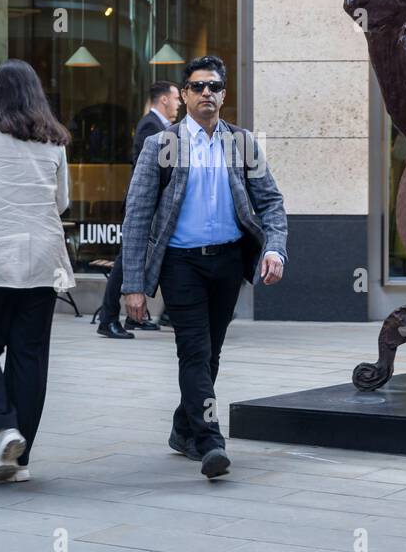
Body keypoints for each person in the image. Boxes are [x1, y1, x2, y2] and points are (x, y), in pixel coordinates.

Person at [120, 55, 288, 479]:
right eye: (197, 87)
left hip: (229, 262)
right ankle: (211, 440)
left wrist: (275, 249)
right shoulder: (162, 145)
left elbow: (271, 202)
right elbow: (138, 216)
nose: (206, 94)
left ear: (224, 94)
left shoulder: (242, 143)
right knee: (193, 351)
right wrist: (133, 285)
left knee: (209, 354)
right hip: (181, 265)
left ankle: (183, 428)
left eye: (214, 87)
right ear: (184, 95)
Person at [0, 60, 75, 483]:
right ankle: (18, 458)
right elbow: (61, 202)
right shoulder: (54, 138)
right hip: (43, 260)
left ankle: (3, 427)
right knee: (30, 355)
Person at [97, 80, 181, 339]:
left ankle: (149, 316)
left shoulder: (161, 127)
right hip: (145, 207)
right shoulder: (150, 126)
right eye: (177, 98)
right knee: (125, 262)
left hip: (157, 208)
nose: (179, 103)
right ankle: (108, 318)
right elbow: (149, 172)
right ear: (164, 99)